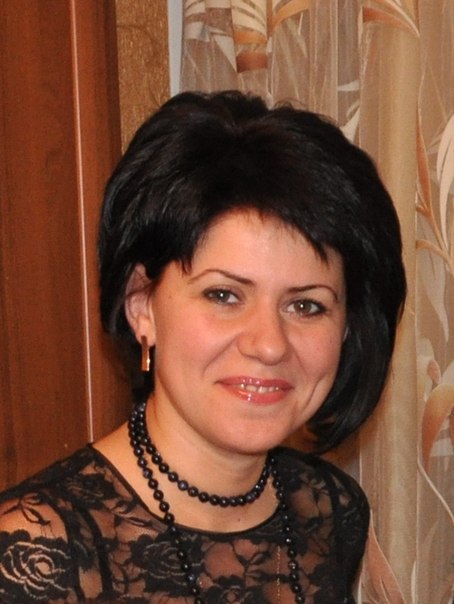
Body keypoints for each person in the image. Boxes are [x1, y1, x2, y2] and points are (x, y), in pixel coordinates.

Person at [0, 90, 406, 603]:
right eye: (224, 295)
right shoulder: (35, 552)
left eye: (306, 306)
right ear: (141, 305)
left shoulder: (329, 509)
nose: (269, 345)